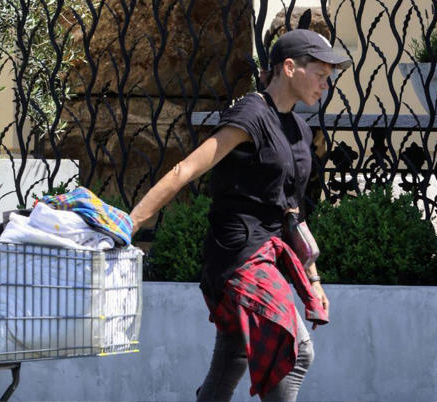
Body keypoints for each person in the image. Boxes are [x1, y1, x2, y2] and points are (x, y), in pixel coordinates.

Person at [129, 29, 351, 401]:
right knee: (295, 352)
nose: (325, 86)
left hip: (267, 253)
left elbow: (292, 212)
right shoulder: (251, 113)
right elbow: (186, 169)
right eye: (320, 74)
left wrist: (312, 278)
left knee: (232, 356)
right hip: (238, 255)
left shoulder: (298, 130)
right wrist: (131, 222)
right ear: (290, 67)